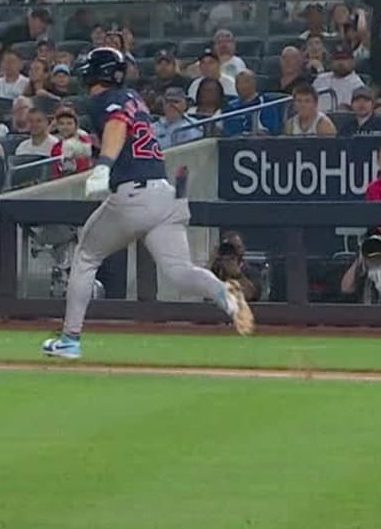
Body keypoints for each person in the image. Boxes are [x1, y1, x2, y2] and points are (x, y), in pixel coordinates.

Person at [41, 47, 252, 360]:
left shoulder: (105, 99)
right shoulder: (133, 98)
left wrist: (103, 165)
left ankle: (70, 339)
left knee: (85, 257)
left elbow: (116, 126)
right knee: (179, 271)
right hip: (164, 194)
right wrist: (91, 151)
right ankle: (224, 293)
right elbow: (126, 138)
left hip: (133, 196)